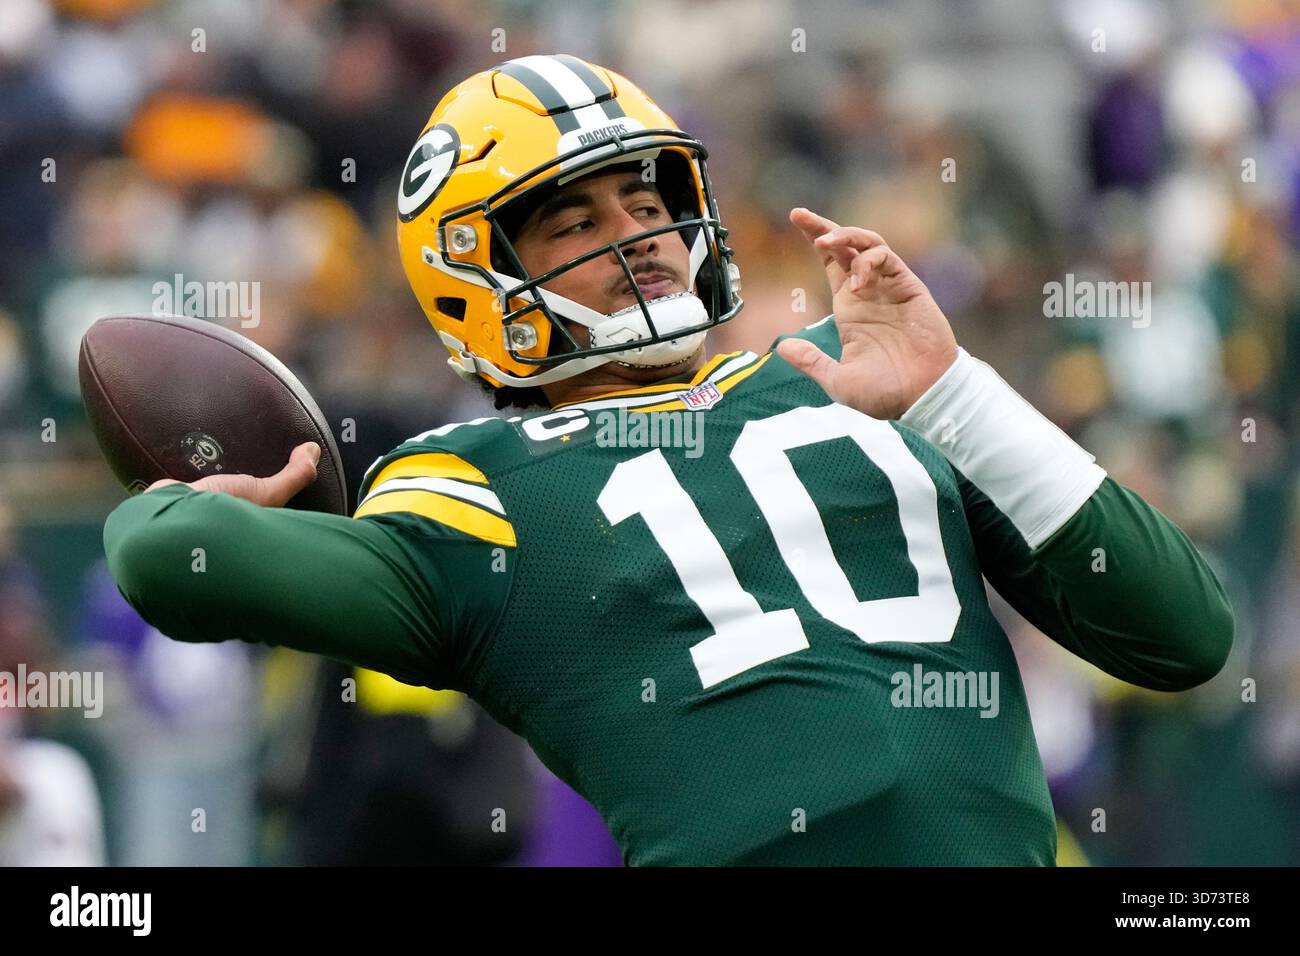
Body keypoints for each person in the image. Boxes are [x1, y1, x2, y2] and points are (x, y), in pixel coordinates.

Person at [104, 55, 1233, 865]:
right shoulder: (470, 480)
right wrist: (205, 496)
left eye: (644, 198)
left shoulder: (857, 364)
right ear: (473, 275)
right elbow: (170, 557)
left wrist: (956, 392)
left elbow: (1183, 633)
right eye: (572, 222)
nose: (635, 235)